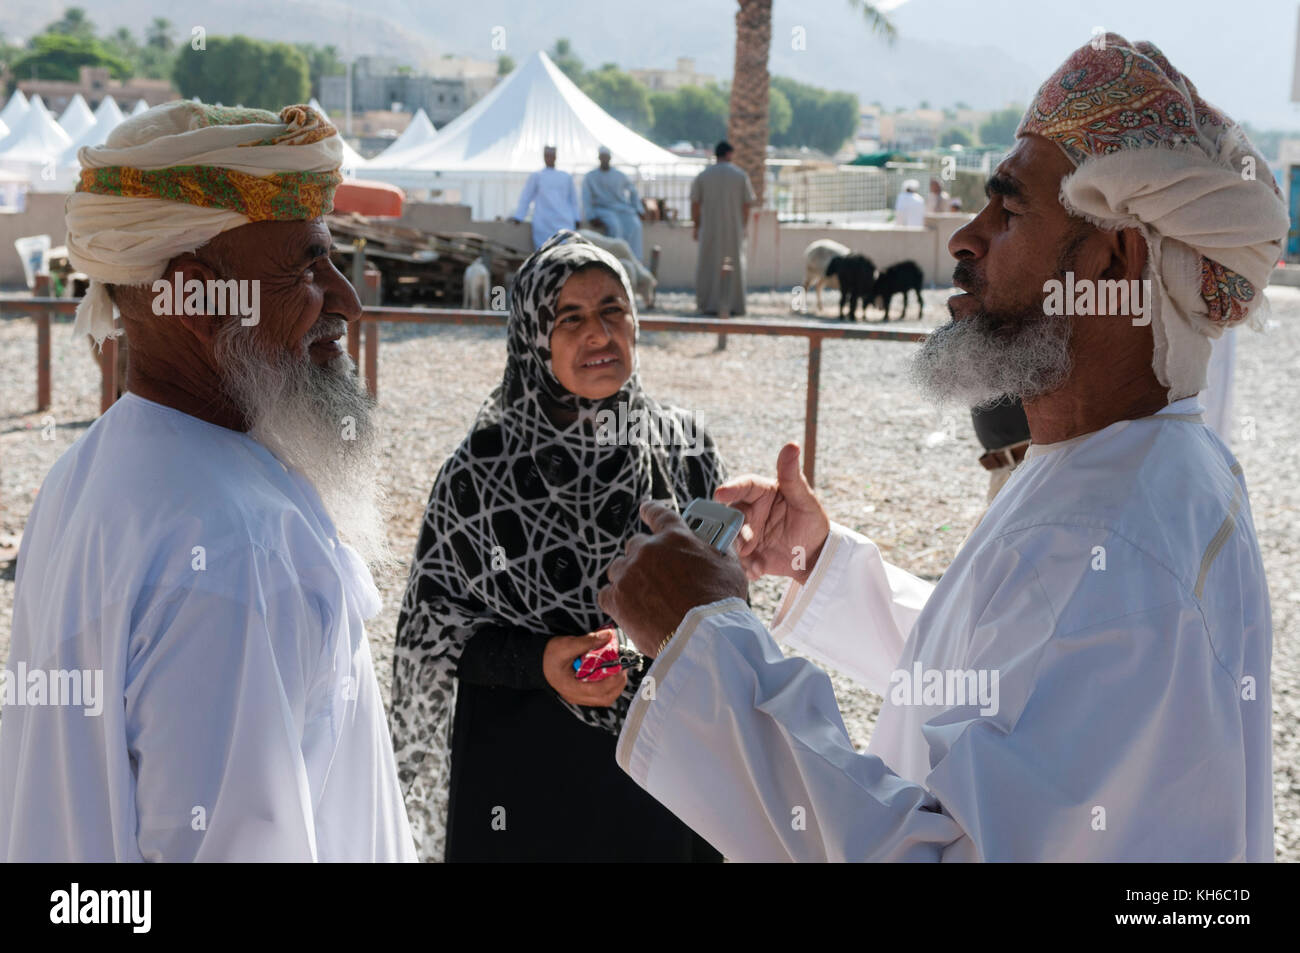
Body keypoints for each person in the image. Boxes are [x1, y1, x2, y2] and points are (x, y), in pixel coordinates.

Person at [596, 35, 1287, 861]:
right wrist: (824, 561)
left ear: (1114, 261)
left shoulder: (1121, 545)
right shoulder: (1119, 470)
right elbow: (1000, 677)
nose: (963, 238)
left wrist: (710, 639)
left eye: (1009, 212)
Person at [0, 102, 415, 861]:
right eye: (308, 267)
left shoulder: (83, 473)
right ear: (194, 295)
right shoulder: (235, 548)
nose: (347, 302)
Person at [389, 230, 725, 863]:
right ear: (533, 338)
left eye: (612, 309)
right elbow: (431, 634)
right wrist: (539, 661)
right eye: (569, 318)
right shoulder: (481, 470)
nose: (599, 333)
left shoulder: (684, 448)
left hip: (662, 763)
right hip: (526, 777)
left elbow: (724, 611)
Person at [690, 140, 755, 315]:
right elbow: (747, 204)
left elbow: (695, 203)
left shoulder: (703, 175)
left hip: (709, 230)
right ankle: (734, 305)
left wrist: (696, 226)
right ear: (728, 154)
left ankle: (706, 304)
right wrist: (743, 225)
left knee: (708, 265)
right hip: (734, 230)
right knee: (734, 264)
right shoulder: (740, 175)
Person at [509, 145, 581, 250]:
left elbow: (573, 200)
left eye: (551, 156)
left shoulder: (566, 177)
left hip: (564, 222)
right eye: (547, 156)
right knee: (545, 252)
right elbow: (526, 197)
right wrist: (519, 217)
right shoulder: (537, 176)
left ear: (555, 157)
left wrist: (577, 218)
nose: (549, 158)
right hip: (543, 223)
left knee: (566, 251)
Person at [582, 145, 644, 260]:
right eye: (602, 157)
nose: (604, 159)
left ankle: (635, 261)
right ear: (599, 158)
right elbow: (586, 198)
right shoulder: (590, 177)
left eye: (606, 157)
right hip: (603, 210)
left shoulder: (619, 175)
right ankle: (616, 260)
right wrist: (591, 216)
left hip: (622, 209)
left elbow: (633, 191)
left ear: (610, 158)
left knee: (635, 225)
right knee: (615, 227)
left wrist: (638, 209)